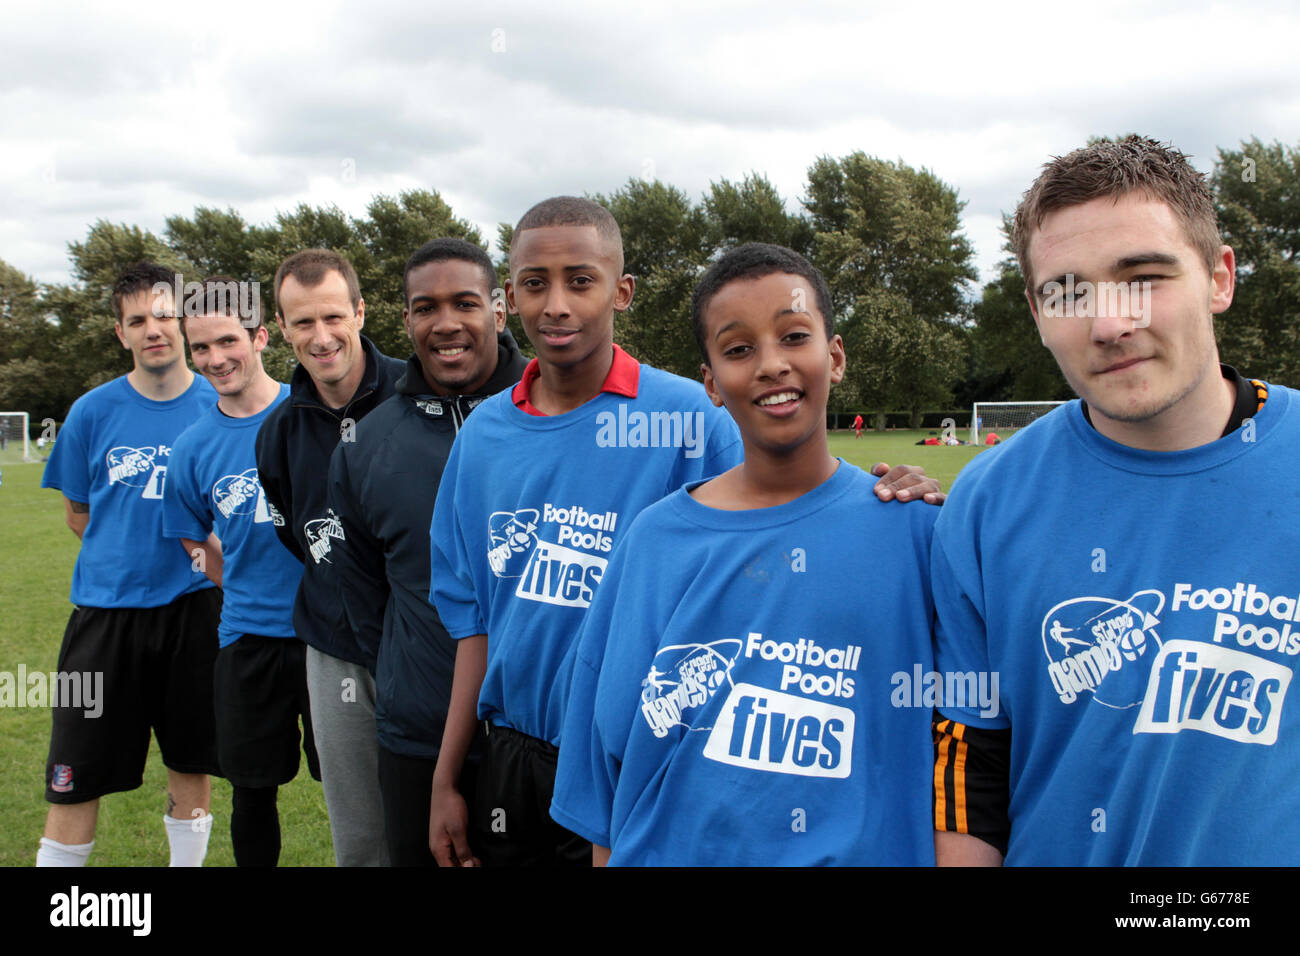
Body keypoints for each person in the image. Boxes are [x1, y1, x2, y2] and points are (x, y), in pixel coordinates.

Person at [427, 197, 941, 868]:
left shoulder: (916, 531)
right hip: (528, 757)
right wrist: (448, 772)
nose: (770, 365)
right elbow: (488, 630)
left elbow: (969, 737)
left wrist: (911, 510)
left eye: (793, 337)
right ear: (714, 381)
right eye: (737, 349)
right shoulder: (630, 525)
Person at [931, 135, 1300, 865]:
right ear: (1036, 313)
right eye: (1066, 292)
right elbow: (972, 772)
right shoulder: (986, 502)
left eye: (1144, 277)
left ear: (1220, 277)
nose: (1108, 324)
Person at [327, 238, 528, 866]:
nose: (446, 323)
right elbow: (365, 600)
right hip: (420, 735)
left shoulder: (567, 418)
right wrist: (405, 683)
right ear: (406, 319)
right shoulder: (367, 443)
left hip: (543, 739)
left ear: (498, 310)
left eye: (465, 302)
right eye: (425, 307)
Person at [37, 262, 220, 867]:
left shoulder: (219, 405)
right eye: (137, 319)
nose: (154, 329)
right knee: (73, 775)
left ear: (184, 320)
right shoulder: (91, 412)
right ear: (121, 333)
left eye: (165, 314)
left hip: (195, 613)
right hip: (104, 619)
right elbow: (78, 514)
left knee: (191, 764)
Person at [255, 249, 404, 866]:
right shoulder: (278, 432)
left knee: (445, 821)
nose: (322, 338)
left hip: (428, 645)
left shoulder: (418, 396)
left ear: (360, 313)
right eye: (303, 322)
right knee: (361, 837)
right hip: (335, 650)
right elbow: (299, 536)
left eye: (334, 317)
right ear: (282, 329)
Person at [163, 276, 319, 867]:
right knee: (252, 792)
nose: (214, 358)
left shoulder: (311, 415)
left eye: (226, 341)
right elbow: (187, 533)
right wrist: (234, 581)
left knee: (355, 785)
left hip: (330, 638)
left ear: (258, 338)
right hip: (248, 641)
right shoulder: (194, 446)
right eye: (199, 348)